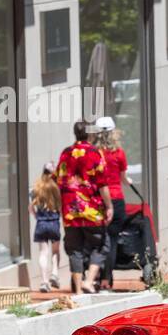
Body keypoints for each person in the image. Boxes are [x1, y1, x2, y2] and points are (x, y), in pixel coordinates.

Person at [55, 120, 111, 294]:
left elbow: (58, 180)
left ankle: (78, 290)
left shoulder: (66, 153)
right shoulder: (95, 153)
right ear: (89, 134)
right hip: (91, 211)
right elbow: (102, 184)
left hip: (70, 211)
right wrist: (109, 206)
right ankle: (89, 281)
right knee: (102, 245)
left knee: (75, 249)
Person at [92, 117, 128, 290]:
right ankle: (107, 279)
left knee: (97, 241)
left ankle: (95, 276)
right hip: (117, 198)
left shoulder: (93, 153)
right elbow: (123, 178)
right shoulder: (118, 153)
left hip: (98, 200)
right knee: (112, 241)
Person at [30, 164, 62, 292]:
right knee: (55, 251)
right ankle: (54, 273)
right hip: (54, 222)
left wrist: (37, 216)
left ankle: (44, 281)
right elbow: (60, 206)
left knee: (43, 253)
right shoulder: (56, 188)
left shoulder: (36, 188)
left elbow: (30, 208)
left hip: (41, 223)